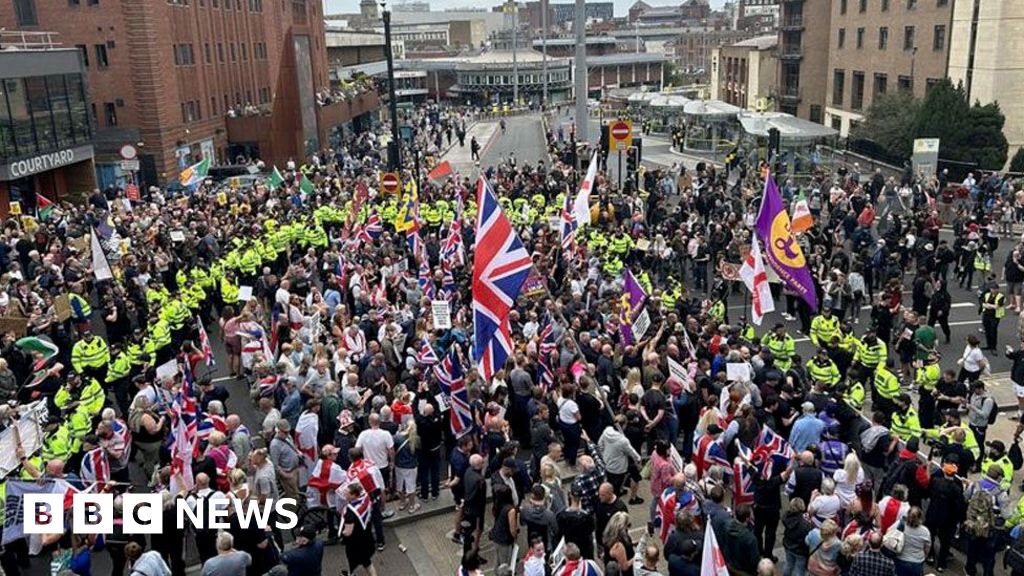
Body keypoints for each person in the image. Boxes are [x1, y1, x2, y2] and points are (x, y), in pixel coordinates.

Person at [341, 483, 378, 576]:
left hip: (356, 541)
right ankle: (351, 573)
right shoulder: (365, 498)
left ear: (353, 495)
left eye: (347, 492)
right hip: (366, 534)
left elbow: (348, 532)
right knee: (366, 560)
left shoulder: (350, 513)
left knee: (363, 561)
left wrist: (341, 533)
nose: (344, 493)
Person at [894, 507, 930, 576]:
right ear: (920, 518)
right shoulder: (925, 531)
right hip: (917, 562)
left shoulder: (901, 525)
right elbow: (927, 548)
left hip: (901, 559)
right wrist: (925, 555)